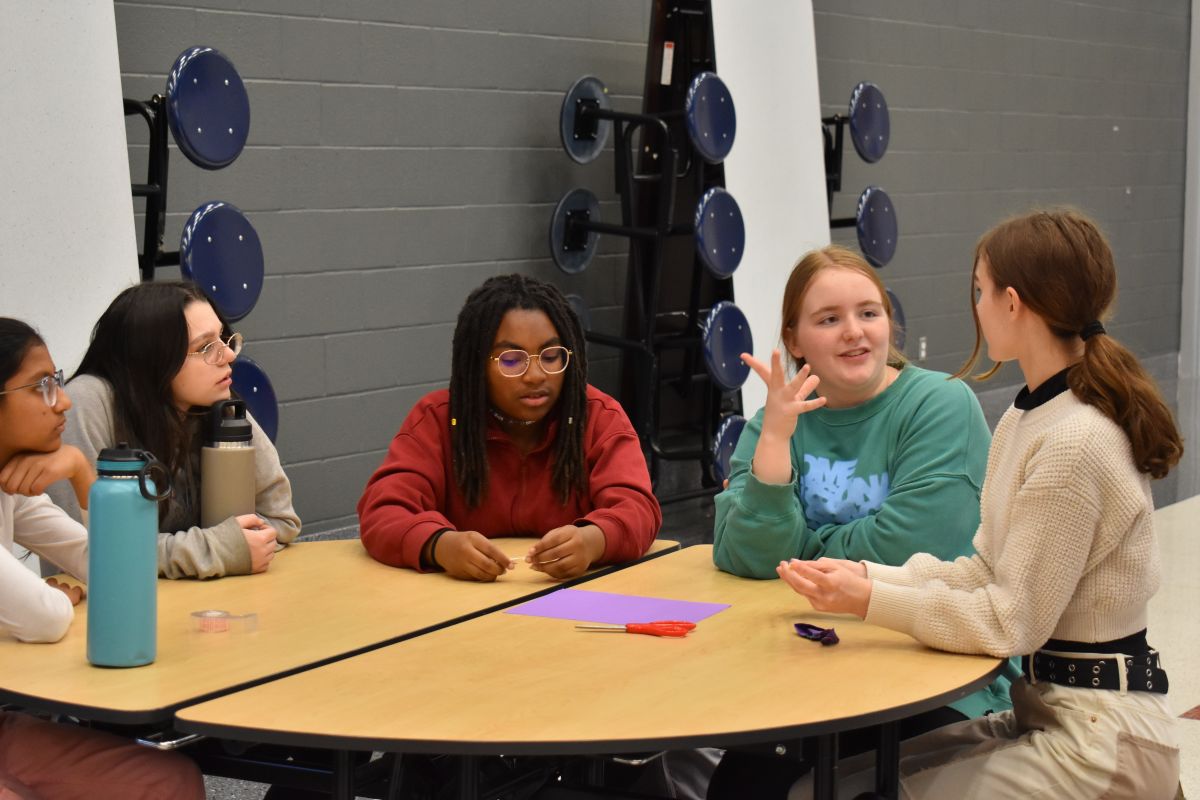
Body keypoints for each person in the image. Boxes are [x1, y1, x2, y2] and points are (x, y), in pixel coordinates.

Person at [779, 210, 1182, 799]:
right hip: (1048, 713)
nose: (976, 305)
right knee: (813, 790)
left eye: (979, 291)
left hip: (1102, 739)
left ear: (1012, 302)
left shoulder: (1075, 441)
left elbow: (1010, 620)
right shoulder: (1028, 414)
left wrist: (870, 600)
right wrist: (871, 575)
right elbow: (985, 568)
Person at [705, 245, 1009, 798]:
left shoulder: (940, 404)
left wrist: (793, 536)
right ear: (794, 341)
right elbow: (743, 556)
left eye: (869, 313)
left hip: (928, 675)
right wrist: (775, 439)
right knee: (738, 787)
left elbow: (918, 547)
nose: (855, 332)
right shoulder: (776, 417)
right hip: (798, 669)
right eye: (829, 319)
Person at [0, 317, 204, 799]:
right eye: (43, 387)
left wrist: (79, 471)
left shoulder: (12, 488)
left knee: (169, 780)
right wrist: (40, 603)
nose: (63, 400)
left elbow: (123, 572)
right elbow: (47, 619)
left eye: (58, 380)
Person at [359, 273, 660, 581]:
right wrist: (438, 545)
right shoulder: (439, 419)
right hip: (458, 606)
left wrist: (595, 540)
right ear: (477, 365)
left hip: (571, 599)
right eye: (512, 360)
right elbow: (383, 511)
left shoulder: (598, 417)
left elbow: (638, 510)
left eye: (551, 356)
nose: (535, 375)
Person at [46, 281, 300, 579]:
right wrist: (217, 549)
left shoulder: (212, 399)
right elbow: (86, 549)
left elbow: (280, 520)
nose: (229, 356)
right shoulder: (88, 402)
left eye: (224, 338)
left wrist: (226, 547)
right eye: (205, 347)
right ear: (152, 357)